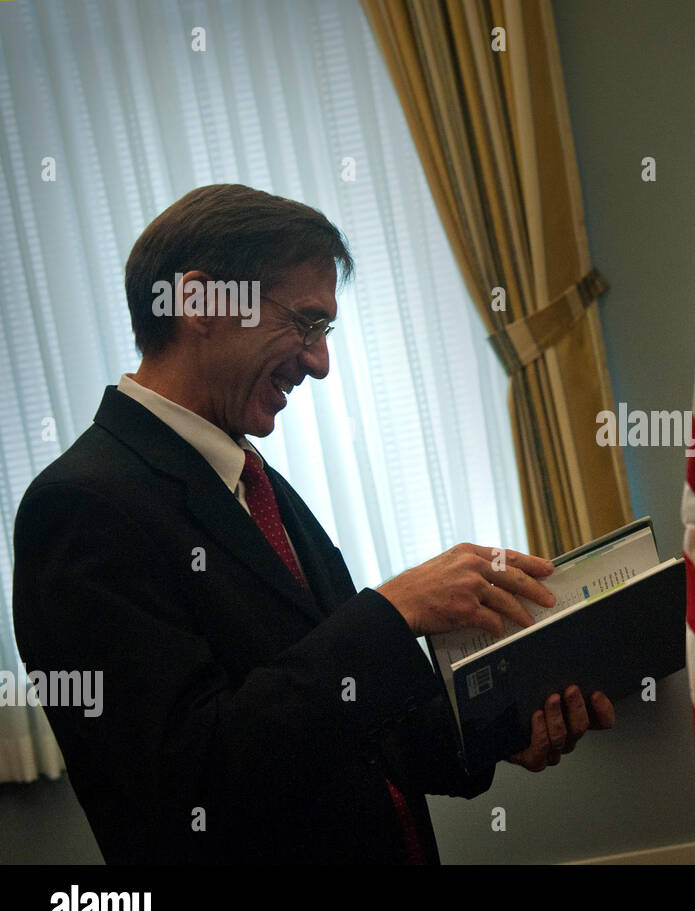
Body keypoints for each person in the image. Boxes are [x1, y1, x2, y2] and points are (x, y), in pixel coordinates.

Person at [12, 184, 613, 864]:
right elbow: (191, 784)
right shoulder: (79, 508)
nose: (320, 363)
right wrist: (389, 613)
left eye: (323, 333)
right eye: (304, 323)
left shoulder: (255, 480)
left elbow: (355, 723)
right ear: (201, 302)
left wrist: (501, 733)